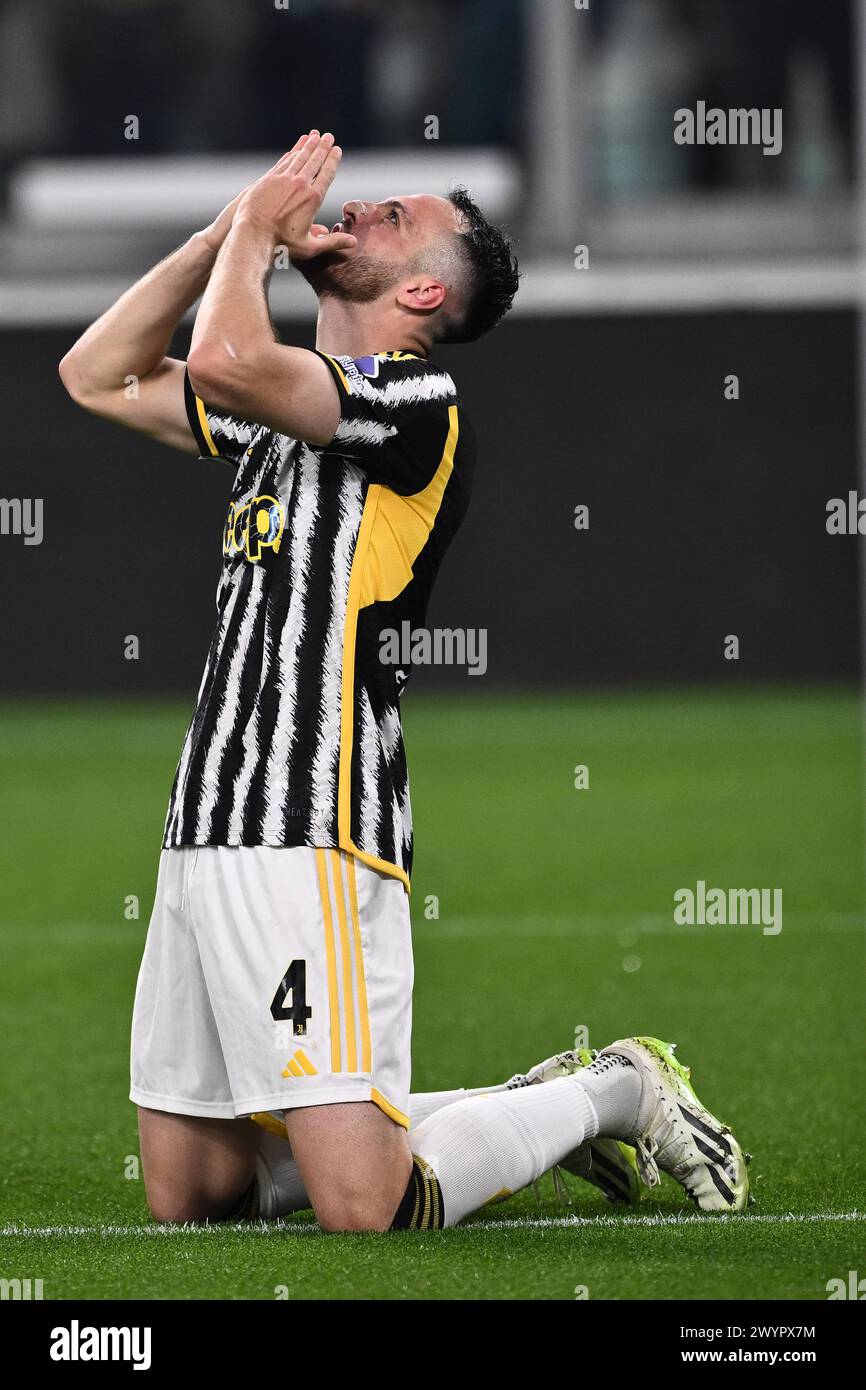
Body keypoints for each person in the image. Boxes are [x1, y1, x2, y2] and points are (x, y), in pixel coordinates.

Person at [59, 132, 749, 1230]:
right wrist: (218, 236)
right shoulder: (285, 401)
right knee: (193, 1194)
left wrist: (254, 232)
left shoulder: (415, 402)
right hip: (207, 819)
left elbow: (232, 361)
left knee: (366, 1208)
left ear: (424, 286)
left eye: (393, 216)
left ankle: (610, 1088)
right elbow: (94, 374)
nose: (362, 206)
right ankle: (483, 1109)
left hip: (314, 815)